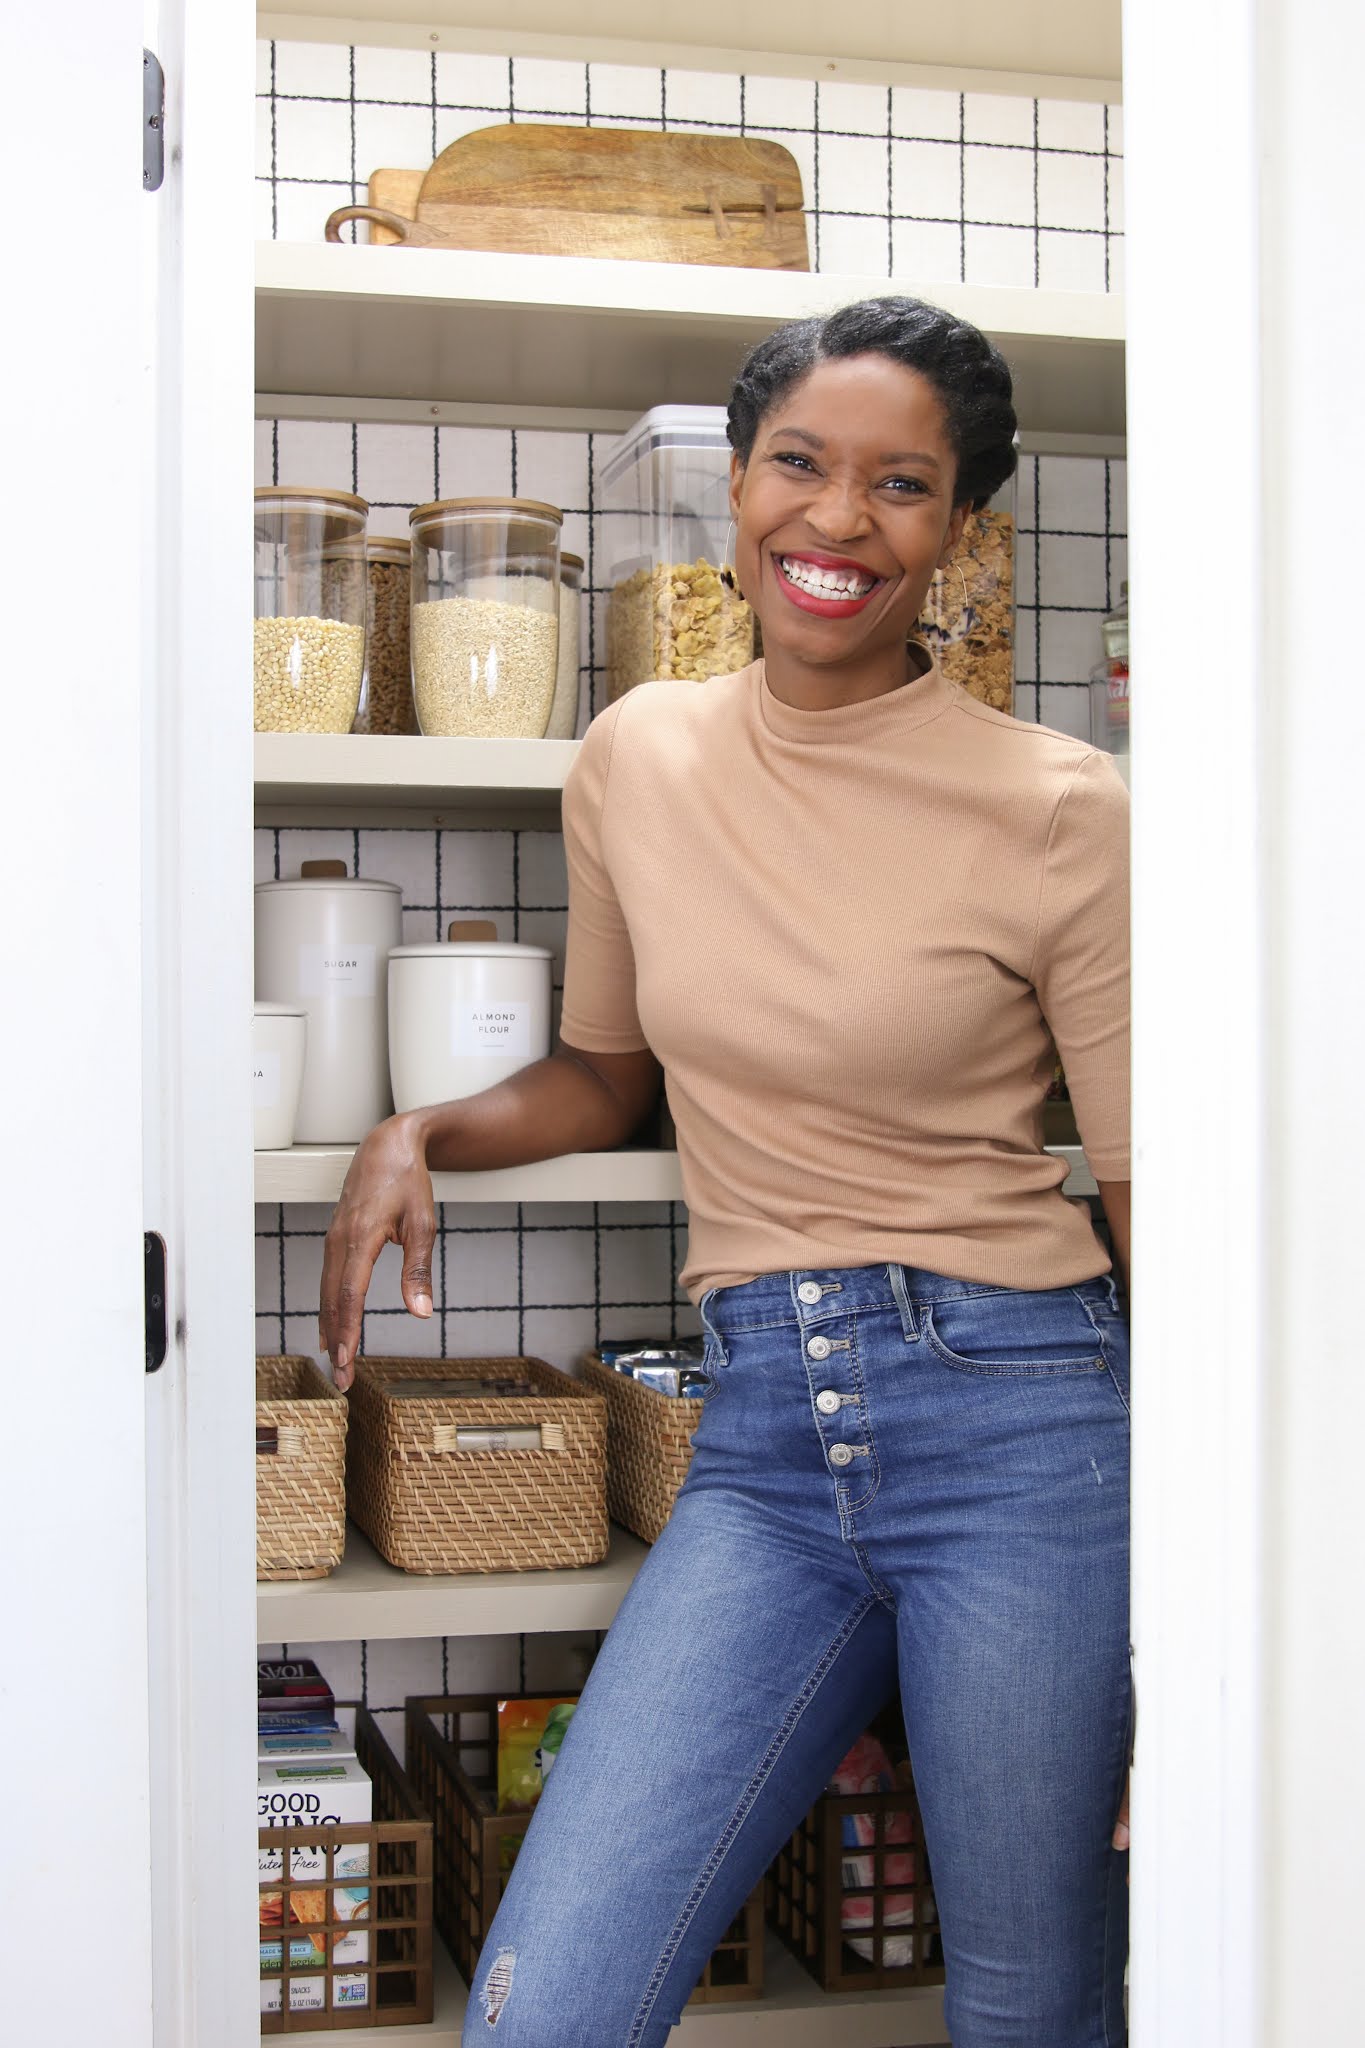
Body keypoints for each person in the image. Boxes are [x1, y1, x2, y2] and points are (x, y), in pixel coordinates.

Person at [319, 295, 1133, 2048]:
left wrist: (1213, 1614)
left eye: (899, 485)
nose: (837, 519)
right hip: (763, 1438)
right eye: (797, 465)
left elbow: (1153, 1205)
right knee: (546, 2007)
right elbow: (607, 1075)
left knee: (1027, 2006)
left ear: (959, 528)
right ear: (740, 484)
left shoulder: (1063, 805)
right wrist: (419, 1130)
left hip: (1024, 1426)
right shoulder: (640, 756)